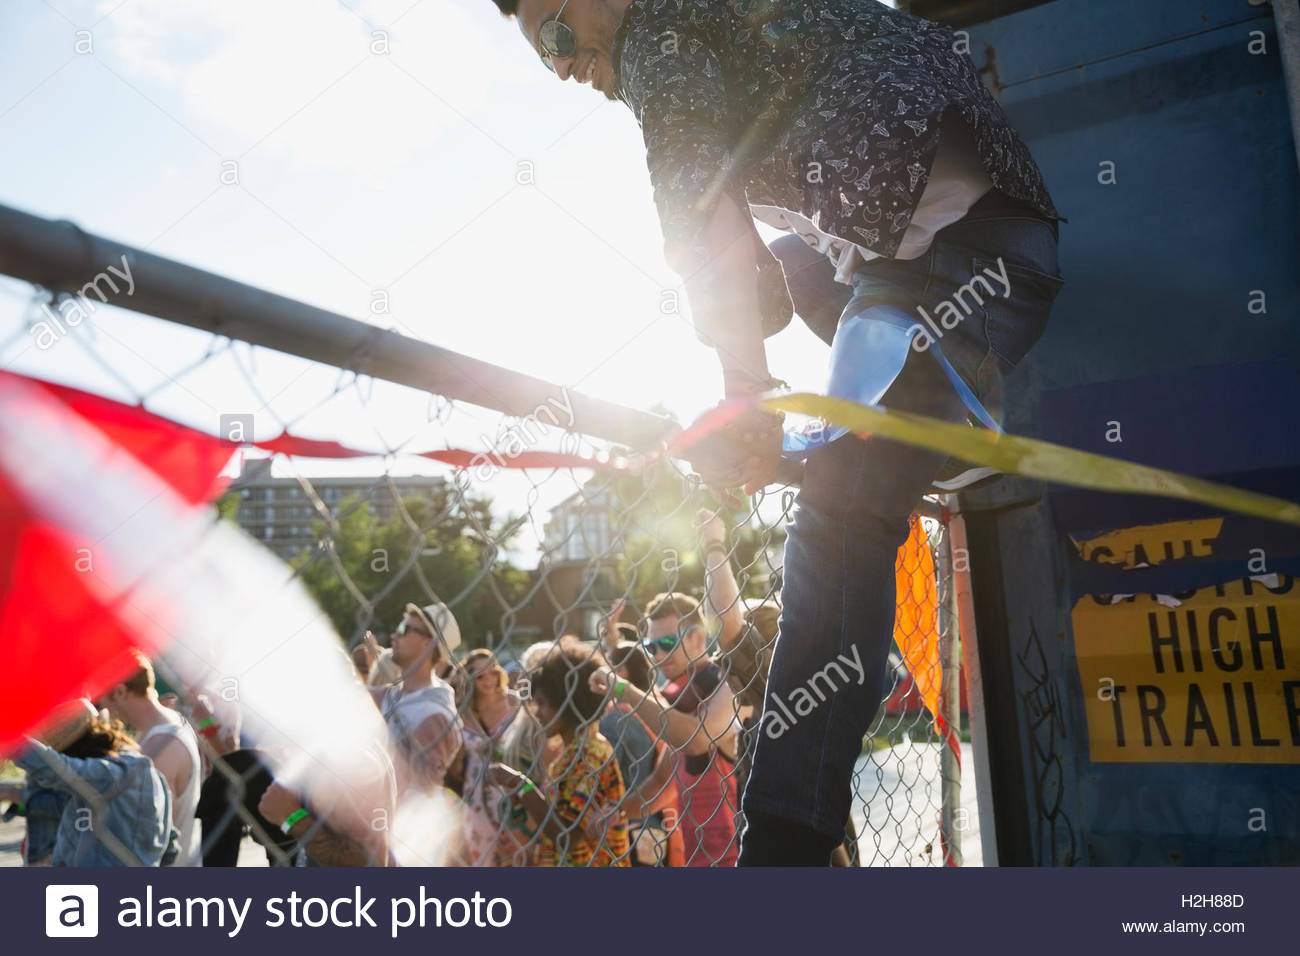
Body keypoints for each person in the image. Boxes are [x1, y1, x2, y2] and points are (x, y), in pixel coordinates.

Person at [490, 0, 1063, 864]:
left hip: (966, 257)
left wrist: (745, 392)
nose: (564, 65)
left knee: (838, 517)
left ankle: (788, 851)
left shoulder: (658, 33)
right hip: (905, 253)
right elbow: (737, 250)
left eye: (562, 34)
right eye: (544, 57)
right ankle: (884, 420)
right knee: (782, 272)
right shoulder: (714, 25)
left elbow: (694, 201)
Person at [591, 592, 742, 866]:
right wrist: (616, 813)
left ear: (697, 638)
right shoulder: (678, 694)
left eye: (668, 643)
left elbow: (697, 740)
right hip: (698, 856)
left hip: (737, 855)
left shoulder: (727, 680)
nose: (659, 655)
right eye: (651, 648)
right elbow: (662, 782)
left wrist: (622, 688)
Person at [488, 637, 630, 866]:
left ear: (569, 702)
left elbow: (568, 836)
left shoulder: (591, 756)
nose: (537, 712)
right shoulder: (569, 756)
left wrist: (520, 784)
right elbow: (559, 817)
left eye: (543, 703)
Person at [13, 699, 175, 866]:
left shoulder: (108, 774)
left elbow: (53, 767)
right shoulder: (149, 773)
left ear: (74, 751)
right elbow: (171, 846)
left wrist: (11, 738)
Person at [98, 651, 203, 866]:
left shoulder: (161, 746)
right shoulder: (168, 723)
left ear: (120, 692)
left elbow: (157, 834)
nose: (102, 709)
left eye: (102, 698)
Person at [460, 648, 547, 865]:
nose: (488, 679)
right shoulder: (462, 711)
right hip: (476, 790)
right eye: (480, 675)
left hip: (513, 785)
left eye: (493, 672)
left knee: (515, 852)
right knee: (482, 852)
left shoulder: (515, 703)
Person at [370, 603, 464, 796]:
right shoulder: (392, 695)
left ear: (428, 643)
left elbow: (421, 795)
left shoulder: (434, 716)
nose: (394, 636)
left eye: (404, 629)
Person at [605, 640, 683, 866]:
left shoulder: (614, 721)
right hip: (662, 824)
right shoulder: (660, 709)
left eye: (608, 668)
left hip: (623, 827)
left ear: (620, 672)